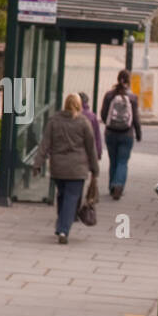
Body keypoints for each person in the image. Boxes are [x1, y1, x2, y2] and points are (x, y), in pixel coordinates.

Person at [33, 93, 100, 244]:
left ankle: (61, 222)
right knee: (71, 199)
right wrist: (95, 169)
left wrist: (38, 163)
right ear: (79, 105)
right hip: (77, 169)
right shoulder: (83, 122)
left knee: (63, 195)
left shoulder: (54, 120)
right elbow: (91, 148)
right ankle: (63, 230)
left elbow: (45, 144)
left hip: (58, 168)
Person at [100, 68, 142, 199]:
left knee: (113, 161)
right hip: (126, 134)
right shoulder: (133, 97)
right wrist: (138, 133)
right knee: (122, 162)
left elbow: (103, 115)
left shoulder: (108, 95)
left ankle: (112, 187)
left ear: (117, 79)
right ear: (129, 82)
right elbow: (135, 118)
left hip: (111, 133)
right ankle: (118, 185)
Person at [79, 92, 103, 161]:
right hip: (87, 151)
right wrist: (98, 152)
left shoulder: (69, 115)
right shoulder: (92, 116)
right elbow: (97, 136)